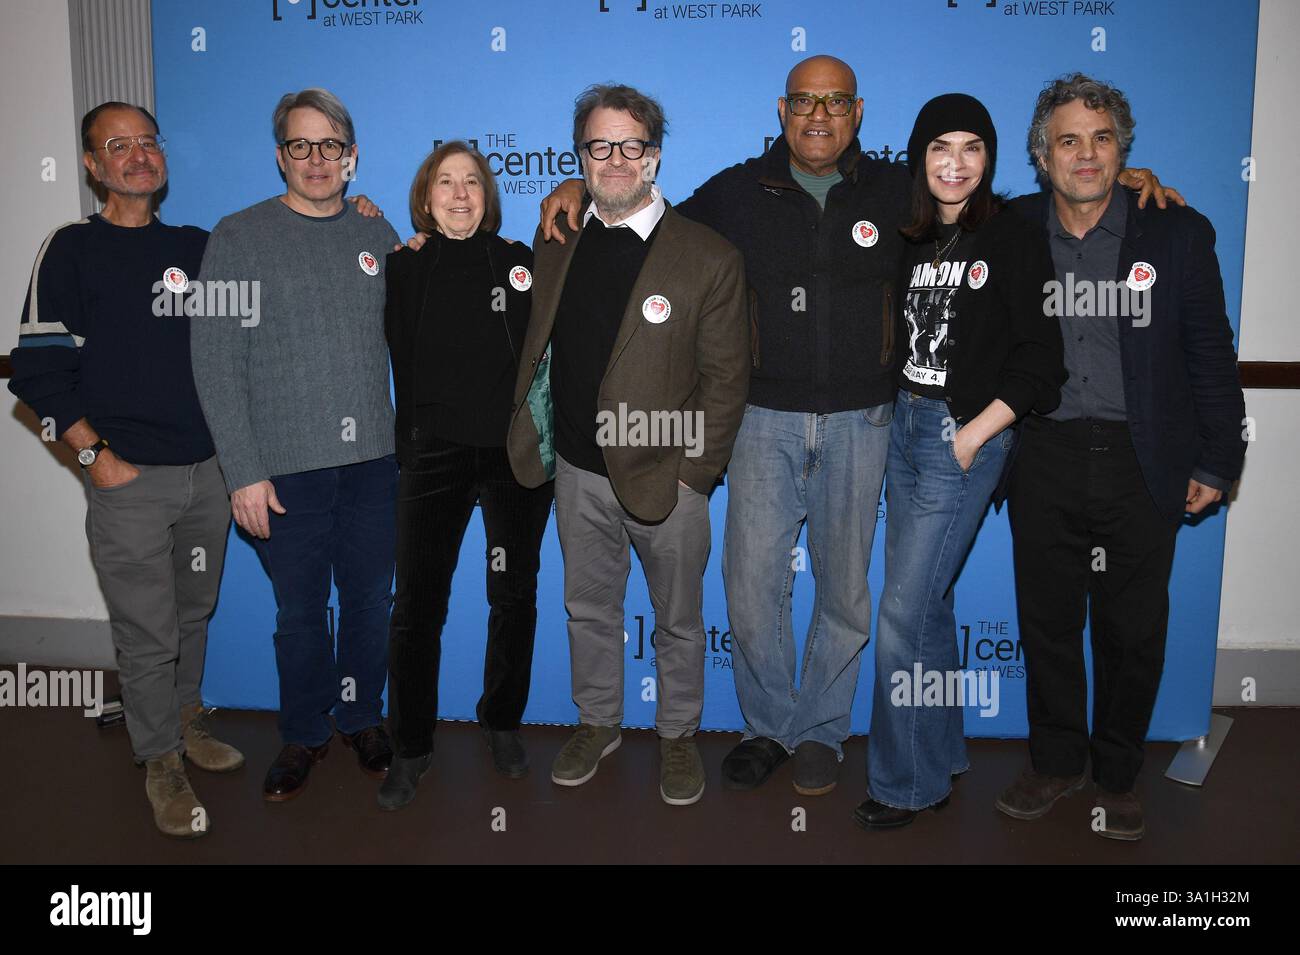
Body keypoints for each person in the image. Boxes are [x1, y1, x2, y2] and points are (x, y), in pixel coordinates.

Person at [541, 56, 1176, 796]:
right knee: (751, 591)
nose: (819, 115)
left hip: (866, 420)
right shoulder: (735, 192)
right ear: (782, 111)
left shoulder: (895, 188)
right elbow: (648, 218)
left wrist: (1126, 180)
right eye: (805, 101)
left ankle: (820, 731)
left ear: (859, 111)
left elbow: (1002, 210)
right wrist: (574, 191)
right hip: (759, 420)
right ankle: (767, 727)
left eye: (835, 102)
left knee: (845, 592)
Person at [996, 74, 1247, 840]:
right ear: (1042, 155)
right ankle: (1055, 762)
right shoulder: (1008, 229)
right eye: (1068, 140)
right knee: (1046, 624)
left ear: (1123, 149)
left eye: (1102, 138)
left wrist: (1219, 458)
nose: (1087, 154)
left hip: (1144, 460)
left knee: (1133, 630)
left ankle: (1116, 774)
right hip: (1044, 454)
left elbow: (1211, 354)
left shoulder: (1175, 232)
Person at [508, 84, 749, 806]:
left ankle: (677, 736)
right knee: (589, 610)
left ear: (655, 155)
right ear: (580, 156)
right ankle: (597, 721)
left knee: (677, 621)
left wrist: (694, 477)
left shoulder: (708, 256)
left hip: (665, 476)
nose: (615, 160)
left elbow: (726, 380)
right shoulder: (558, 238)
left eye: (631, 145)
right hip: (576, 472)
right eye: (598, 146)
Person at [8, 101, 242, 838]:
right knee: (146, 628)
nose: (138, 155)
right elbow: (36, 373)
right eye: (119, 145)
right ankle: (159, 760)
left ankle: (183, 719)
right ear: (92, 165)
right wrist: (92, 457)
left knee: (192, 613)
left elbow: (267, 303)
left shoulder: (200, 247)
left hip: (208, 473)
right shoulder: (71, 251)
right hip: (128, 479)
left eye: (148, 142)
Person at [851, 94, 1065, 830]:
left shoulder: (1013, 235)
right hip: (901, 430)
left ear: (990, 159)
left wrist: (975, 434)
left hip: (963, 438)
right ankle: (938, 753)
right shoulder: (909, 237)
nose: (956, 161)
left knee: (902, 613)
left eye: (973, 147)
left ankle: (902, 782)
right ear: (919, 156)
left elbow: (1043, 361)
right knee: (929, 611)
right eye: (941, 146)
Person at [190, 88, 401, 802]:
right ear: (280, 155)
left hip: (373, 462)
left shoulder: (376, 234)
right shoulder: (239, 234)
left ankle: (363, 716)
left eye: (331, 145)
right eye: (301, 145)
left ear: (352, 156)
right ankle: (305, 730)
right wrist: (242, 472)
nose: (317, 159)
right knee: (300, 613)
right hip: (283, 471)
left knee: (372, 604)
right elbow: (215, 362)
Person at [378, 142, 554, 810]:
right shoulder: (403, 266)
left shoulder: (517, 261)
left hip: (513, 458)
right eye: (446, 182)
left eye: (472, 182)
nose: (460, 193)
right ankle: (412, 745)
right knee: (417, 605)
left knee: (514, 594)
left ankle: (503, 721)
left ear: (487, 195)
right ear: (426, 197)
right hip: (433, 454)